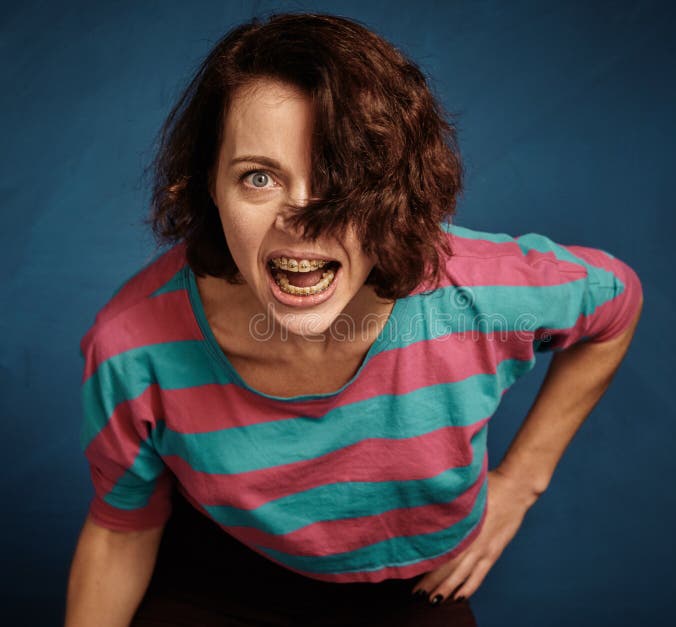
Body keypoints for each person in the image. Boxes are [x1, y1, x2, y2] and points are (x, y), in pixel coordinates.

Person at [64, 11, 644, 627]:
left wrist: (522, 481)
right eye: (259, 177)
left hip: (405, 594)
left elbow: (617, 300)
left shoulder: (476, 295)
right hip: (215, 577)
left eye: (340, 174)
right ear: (210, 183)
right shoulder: (132, 344)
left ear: (394, 185)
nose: (300, 219)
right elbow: (121, 531)